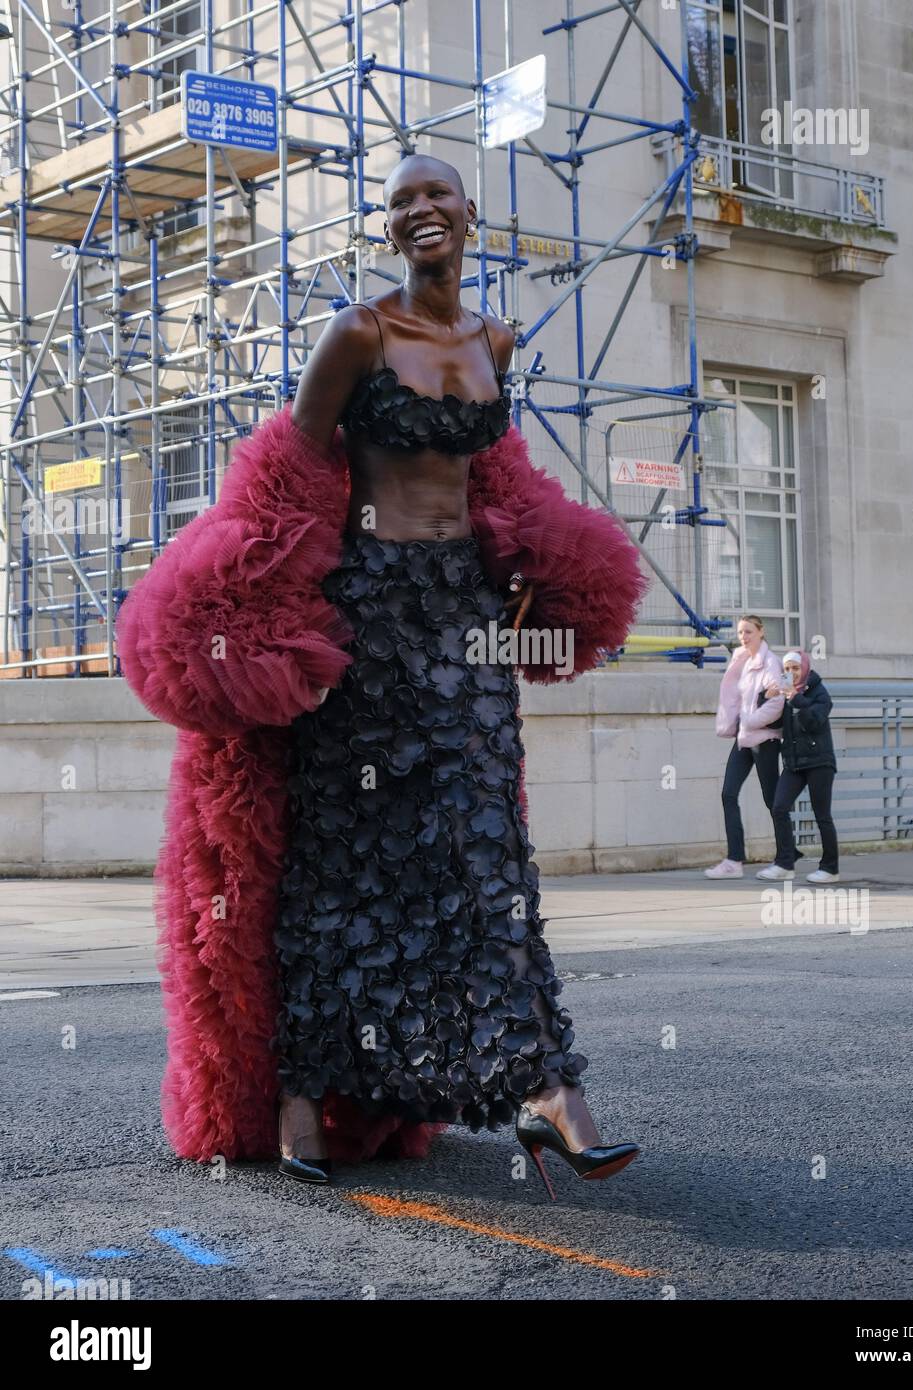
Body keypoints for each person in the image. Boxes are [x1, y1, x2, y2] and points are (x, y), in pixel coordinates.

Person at [116, 153, 647, 1201]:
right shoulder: (356, 334)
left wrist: (535, 570)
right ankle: (306, 1096)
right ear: (391, 229)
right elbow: (280, 476)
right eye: (401, 202)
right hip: (366, 624)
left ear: (467, 211)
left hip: (465, 630)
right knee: (340, 862)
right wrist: (257, 618)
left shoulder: (494, 340)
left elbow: (498, 481)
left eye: (435, 195)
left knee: (485, 855)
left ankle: (543, 1087)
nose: (420, 211)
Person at [705, 614, 786, 879]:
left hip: (764, 739)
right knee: (728, 793)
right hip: (743, 739)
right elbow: (733, 699)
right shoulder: (741, 660)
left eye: (749, 632)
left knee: (773, 800)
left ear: (761, 632)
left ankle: (786, 858)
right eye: (741, 632)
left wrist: (749, 721)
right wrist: (735, 724)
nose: (744, 637)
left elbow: (776, 704)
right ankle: (734, 860)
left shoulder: (770, 663)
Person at [755, 649, 840, 883]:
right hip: (793, 763)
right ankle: (785, 864)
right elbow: (771, 720)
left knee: (822, 815)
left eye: (795, 668)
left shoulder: (819, 692)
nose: (791, 672)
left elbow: (815, 720)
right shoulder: (784, 693)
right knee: (779, 807)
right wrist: (766, 696)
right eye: (787, 669)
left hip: (819, 761)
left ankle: (830, 868)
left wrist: (796, 698)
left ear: (805, 669)